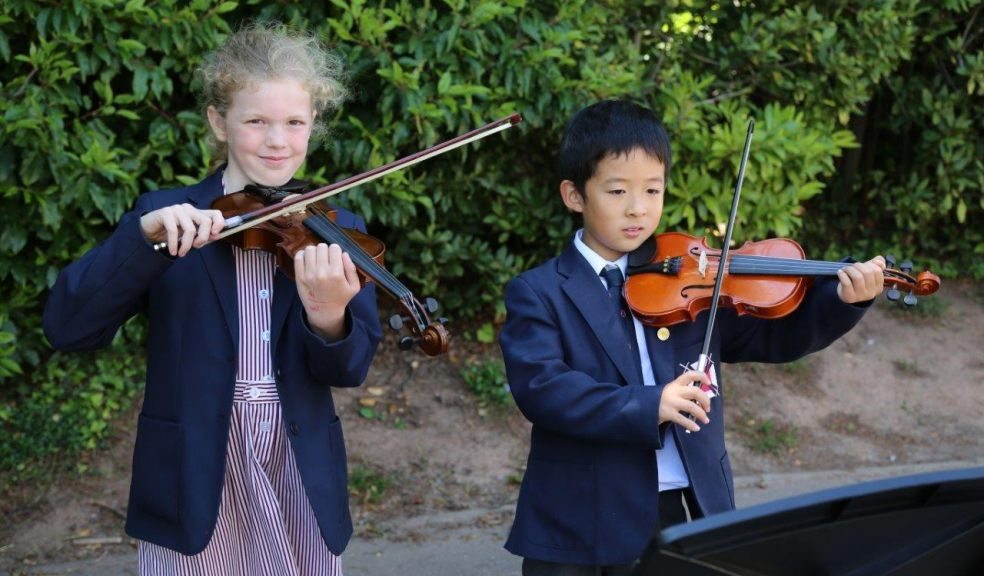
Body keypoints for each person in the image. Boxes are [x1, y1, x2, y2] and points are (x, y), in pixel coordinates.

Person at [43, 24, 382, 575]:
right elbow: (68, 327)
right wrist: (141, 239)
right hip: (194, 463)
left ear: (312, 125)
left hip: (294, 463)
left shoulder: (333, 227)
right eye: (256, 121)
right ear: (218, 122)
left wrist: (329, 318)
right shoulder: (168, 216)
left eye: (295, 122)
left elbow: (352, 367)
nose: (278, 141)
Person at [498, 99, 886, 575]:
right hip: (584, 519)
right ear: (574, 195)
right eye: (617, 191)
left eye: (653, 190)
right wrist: (650, 403)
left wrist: (842, 302)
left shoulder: (692, 278)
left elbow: (775, 337)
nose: (638, 209)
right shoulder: (538, 292)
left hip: (687, 507)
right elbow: (544, 389)